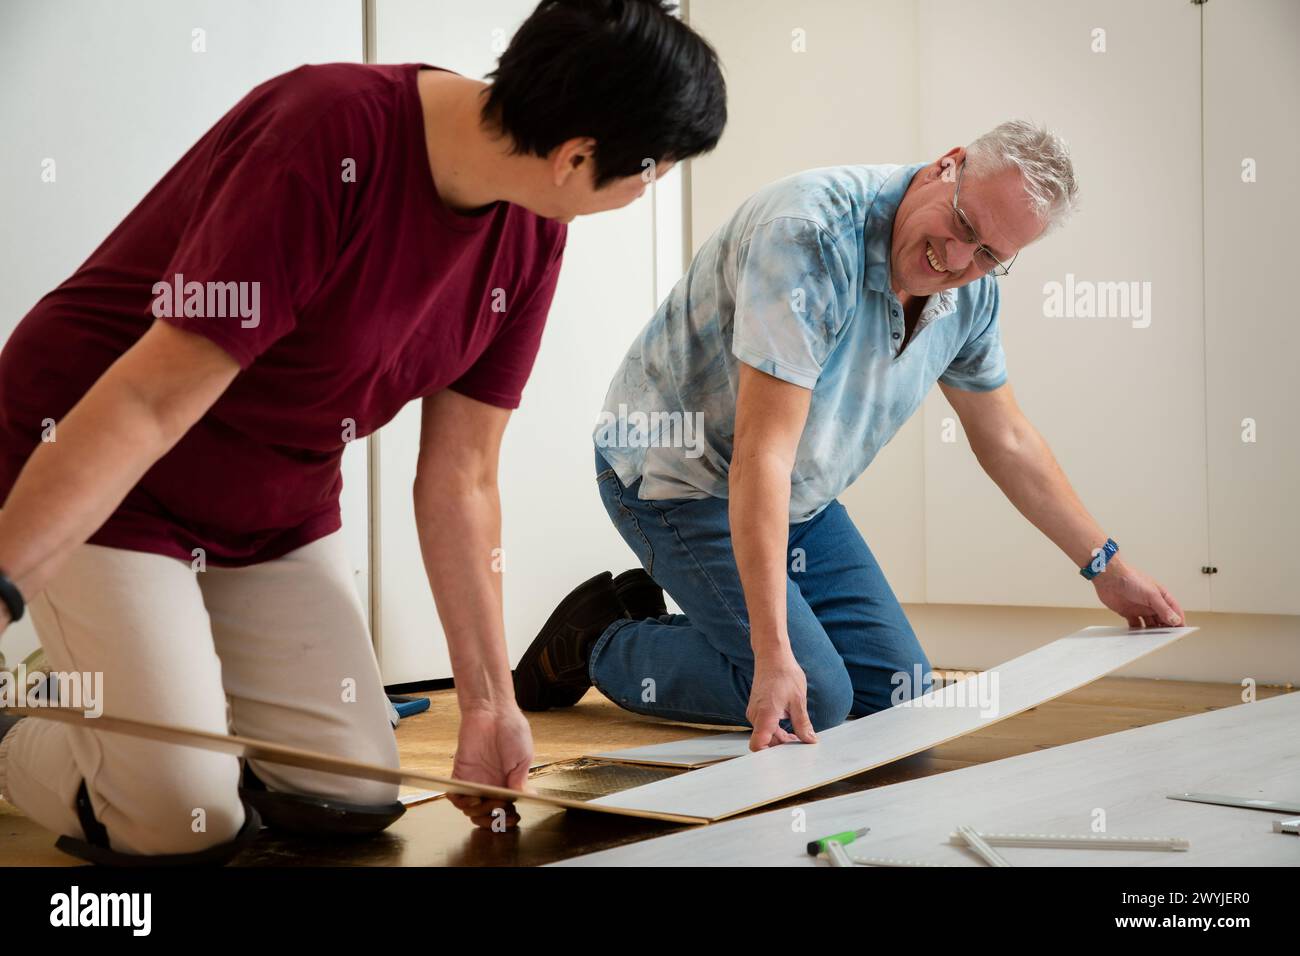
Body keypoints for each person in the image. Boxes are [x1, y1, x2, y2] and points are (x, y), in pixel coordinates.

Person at [0, 0, 725, 862]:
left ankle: (150, 709)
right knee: (174, 818)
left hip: (273, 497)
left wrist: (490, 701)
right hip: (104, 462)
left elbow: (462, 476)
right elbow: (149, 405)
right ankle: (35, 731)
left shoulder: (534, 226)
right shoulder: (326, 134)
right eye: (653, 172)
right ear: (576, 157)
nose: (648, 193)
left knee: (345, 798)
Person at [518, 121, 1185, 752]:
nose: (956, 258)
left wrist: (1107, 566)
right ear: (944, 167)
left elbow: (1005, 437)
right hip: (676, 479)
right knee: (816, 697)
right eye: (961, 225)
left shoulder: (971, 294)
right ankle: (601, 640)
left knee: (903, 699)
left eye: (988, 254)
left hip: (797, 498)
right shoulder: (807, 236)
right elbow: (762, 451)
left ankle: (727, 637)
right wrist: (773, 656)